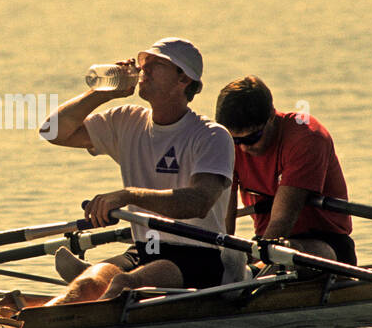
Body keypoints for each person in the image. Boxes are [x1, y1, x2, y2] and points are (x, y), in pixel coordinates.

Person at [39, 38, 248, 305]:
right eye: (142, 63)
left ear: (183, 79)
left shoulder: (211, 136)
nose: (142, 70)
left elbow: (199, 202)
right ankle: (45, 319)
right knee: (87, 284)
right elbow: (51, 132)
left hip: (198, 256)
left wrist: (128, 196)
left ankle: (93, 316)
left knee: (124, 284)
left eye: (155, 65)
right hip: (144, 249)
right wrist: (103, 93)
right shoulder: (127, 120)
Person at [214, 75, 356, 264]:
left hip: (326, 245)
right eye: (235, 140)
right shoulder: (226, 144)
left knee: (285, 251)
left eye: (251, 138)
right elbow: (224, 221)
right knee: (224, 258)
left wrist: (251, 271)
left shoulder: (305, 137)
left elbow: (282, 221)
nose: (243, 148)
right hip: (266, 244)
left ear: (271, 116)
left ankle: (252, 276)